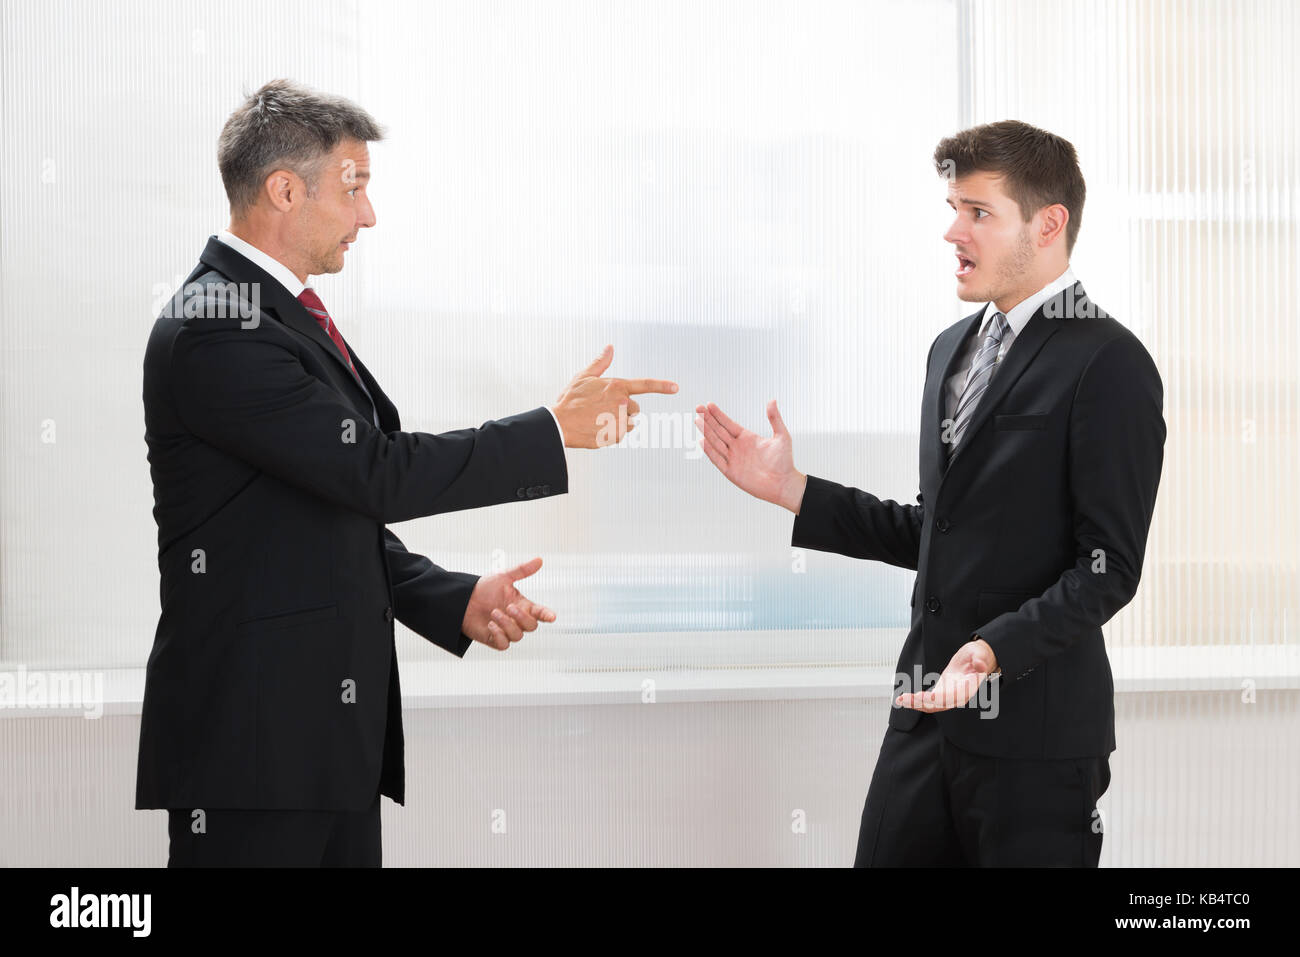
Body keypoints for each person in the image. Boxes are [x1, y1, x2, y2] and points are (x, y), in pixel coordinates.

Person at [137, 78, 677, 866]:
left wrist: (448, 597)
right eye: (354, 188)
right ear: (284, 189)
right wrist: (553, 431)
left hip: (321, 747)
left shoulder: (273, 313)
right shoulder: (219, 327)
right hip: (255, 747)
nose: (368, 215)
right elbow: (377, 474)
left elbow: (320, 510)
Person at [696, 120, 1165, 866]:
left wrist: (992, 650)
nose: (953, 230)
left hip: (1034, 744)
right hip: (923, 720)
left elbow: (1108, 567)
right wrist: (793, 489)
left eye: (978, 212)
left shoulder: (1109, 362)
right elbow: (937, 531)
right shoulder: (951, 350)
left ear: (1049, 225)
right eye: (953, 207)